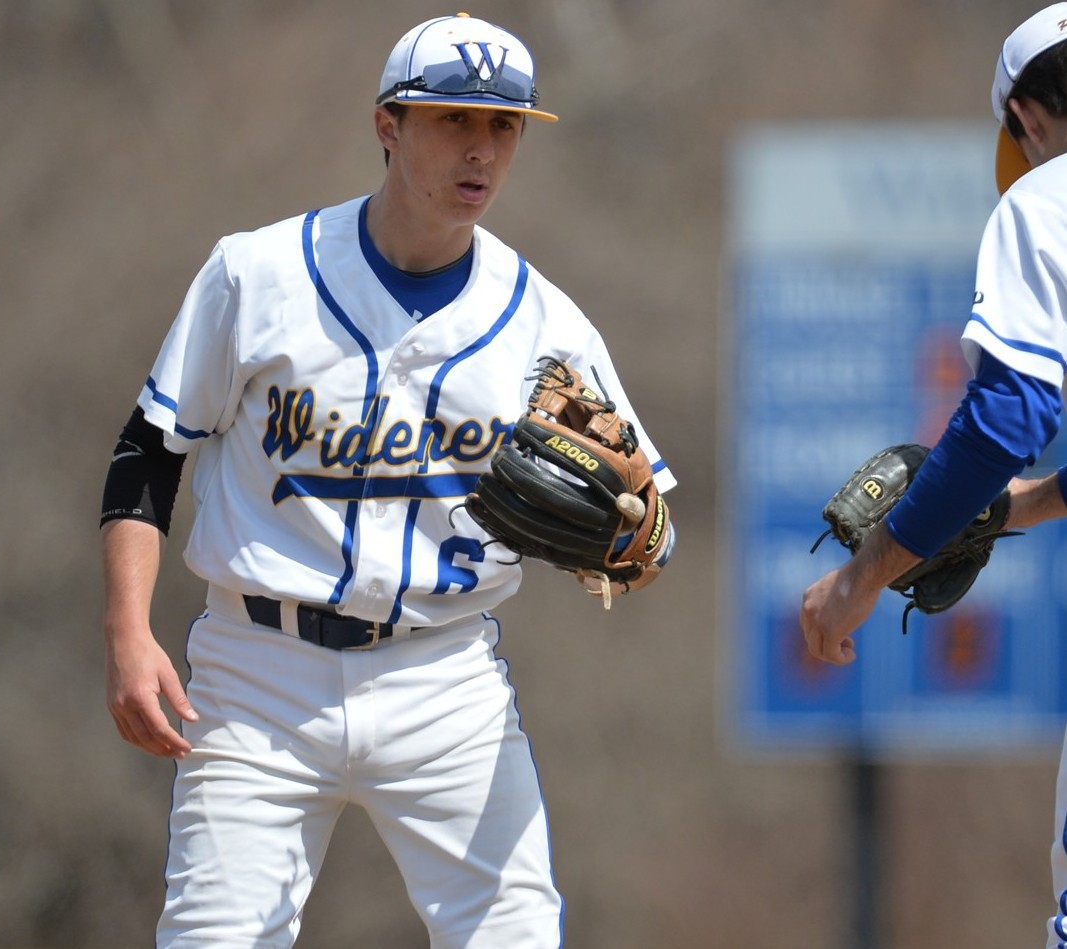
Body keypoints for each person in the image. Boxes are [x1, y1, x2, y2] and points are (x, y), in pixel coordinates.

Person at [99, 13, 677, 947]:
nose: (481, 149)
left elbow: (648, 525)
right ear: (387, 126)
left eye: (504, 125)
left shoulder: (546, 326)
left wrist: (633, 539)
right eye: (453, 119)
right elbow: (149, 452)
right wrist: (128, 633)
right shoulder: (258, 274)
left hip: (442, 677)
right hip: (257, 676)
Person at [797, 6, 1067, 946]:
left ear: (1028, 117)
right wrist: (1025, 506)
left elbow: (1006, 417)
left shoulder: (1047, 200)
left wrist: (860, 574)